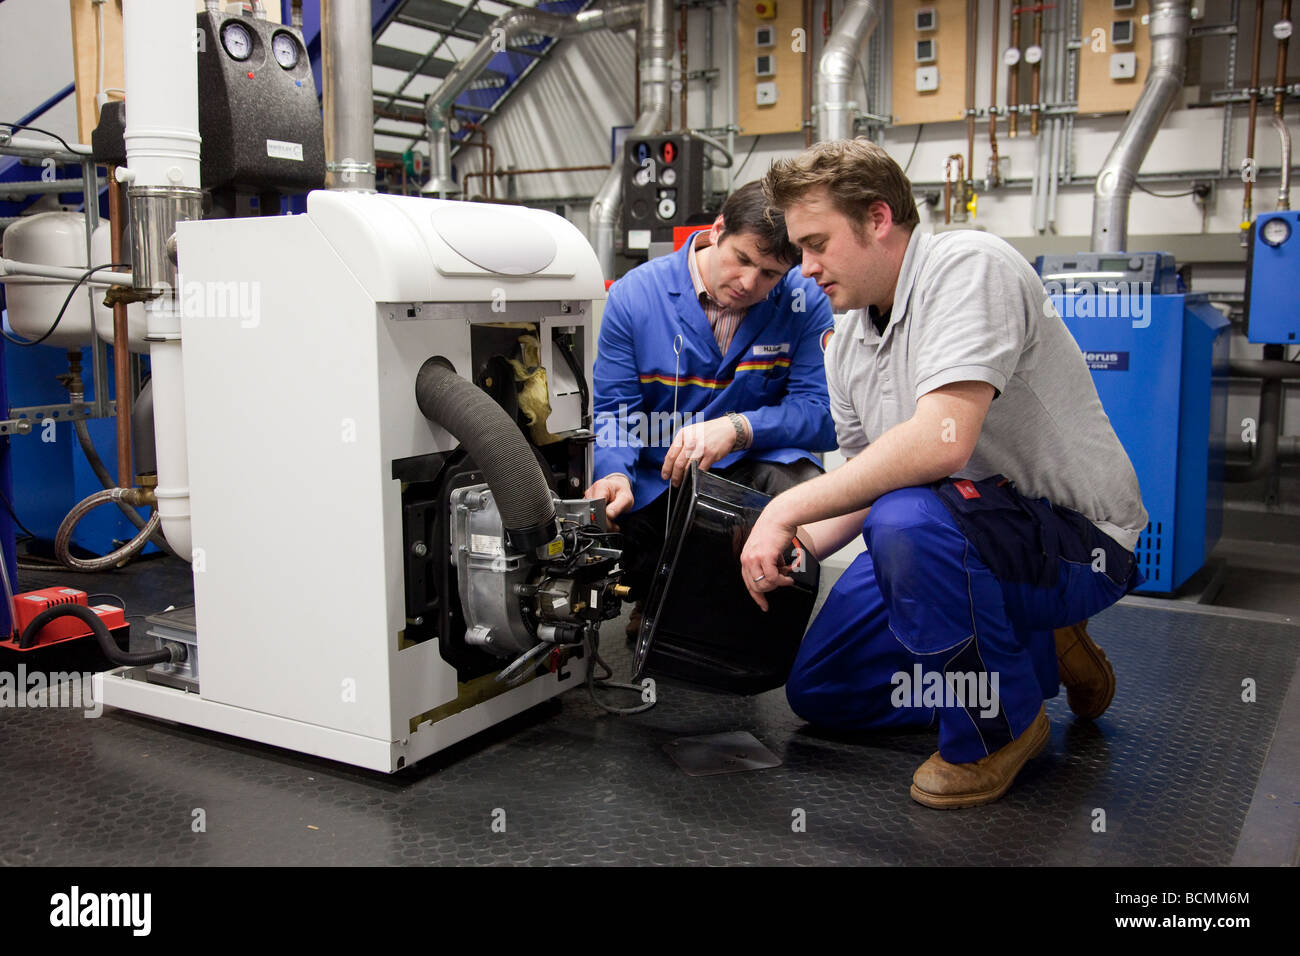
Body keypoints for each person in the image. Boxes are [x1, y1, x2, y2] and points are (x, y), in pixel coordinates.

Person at [742, 139, 1147, 809]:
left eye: (816, 244)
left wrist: (783, 508)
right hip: (955, 541)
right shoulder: (847, 340)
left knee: (904, 521)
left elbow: (942, 443)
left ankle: (1000, 727)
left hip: (1078, 544)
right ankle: (1029, 647)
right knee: (823, 689)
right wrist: (801, 543)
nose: (803, 269)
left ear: (878, 219)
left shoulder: (969, 268)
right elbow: (867, 480)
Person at [586, 181, 837, 623]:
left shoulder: (805, 301)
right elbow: (616, 413)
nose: (748, 283)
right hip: (661, 480)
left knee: (806, 499)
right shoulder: (634, 297)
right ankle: (657, 598)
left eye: (770, 274)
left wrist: (738, 429)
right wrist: (613, 475)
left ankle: (753, 622)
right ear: (718, 229)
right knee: (624, 547)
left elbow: (820, 415)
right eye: (742, 259)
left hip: (754, 472)